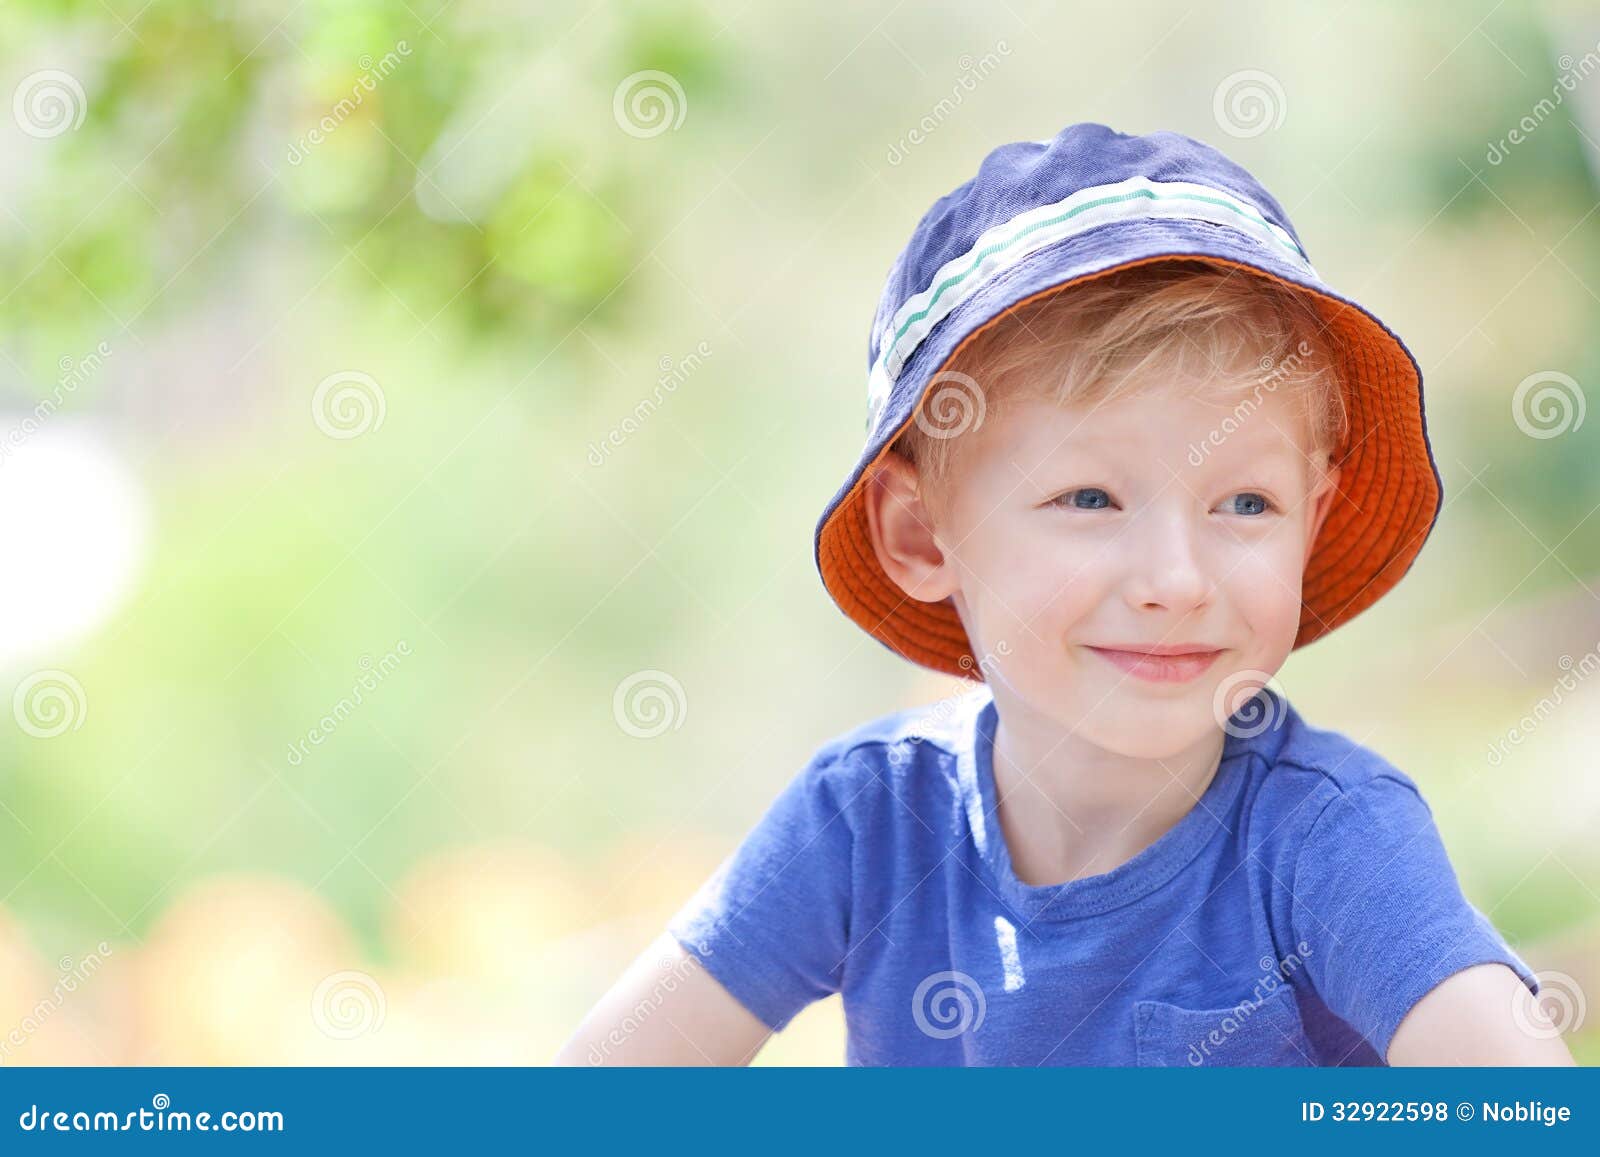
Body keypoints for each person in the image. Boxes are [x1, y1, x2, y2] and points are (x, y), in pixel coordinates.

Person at [556, 123, 1576, 1066]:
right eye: (1089, 497)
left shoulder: (1326, 838)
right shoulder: (868, 824)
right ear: (919, 533)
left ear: (1313, 516)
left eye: (1245, 502)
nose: (1176, 580)